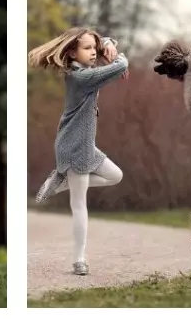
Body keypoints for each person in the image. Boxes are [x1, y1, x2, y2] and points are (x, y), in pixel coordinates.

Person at [27, 27, 129, 275]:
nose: (94, 53)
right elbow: (119, 65)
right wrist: (116, 54)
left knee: (116, 175)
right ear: (72, 52)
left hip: (85, 144)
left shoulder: (84, 70)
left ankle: (58, 183)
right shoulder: (81, 78)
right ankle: (79, 260)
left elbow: (111, 54)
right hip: (73, 146)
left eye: (95, 48)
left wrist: (106, 42)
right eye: (87, 48)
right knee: (80, 205)